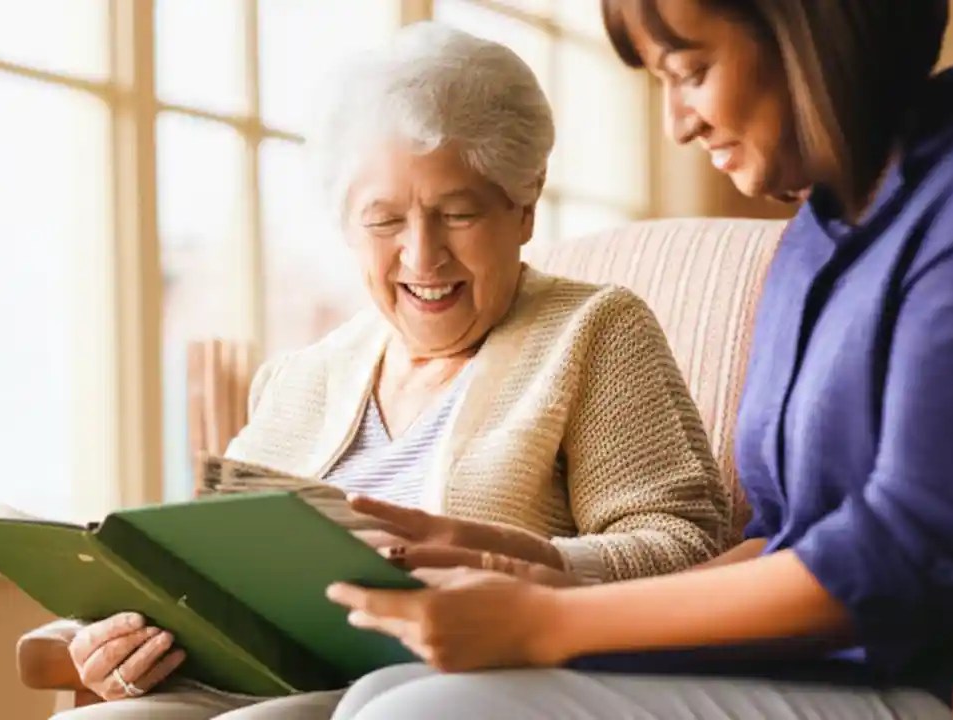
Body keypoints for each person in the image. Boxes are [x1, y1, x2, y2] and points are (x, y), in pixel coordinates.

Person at [323, 1, 953, 718]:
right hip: (825, 668)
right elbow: (780, 543)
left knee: (419, 712)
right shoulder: (814, 236)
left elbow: (909, 554)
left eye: (690, 72)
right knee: (378, 699)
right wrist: (540, 586)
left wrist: (549, 622)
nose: (677, 122)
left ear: (807, 34)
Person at [47, 22, 730, 720]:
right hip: (255, 683)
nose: (422, 256)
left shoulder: (593, 331)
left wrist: (525, 569)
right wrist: (131, 643)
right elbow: (207, 579)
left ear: (523, 207)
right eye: (383, 222)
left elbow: (686, 550)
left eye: (458, 214)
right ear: (347, 225)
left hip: (450, 691)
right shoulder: (301, 378)